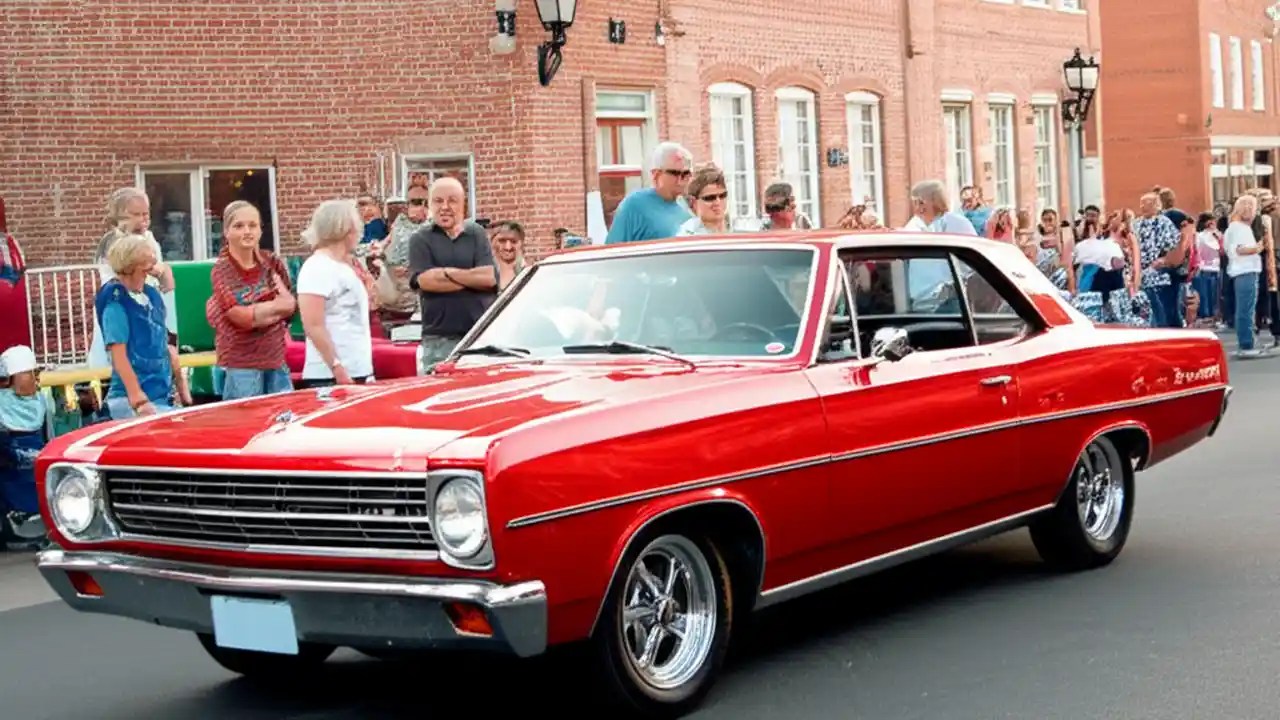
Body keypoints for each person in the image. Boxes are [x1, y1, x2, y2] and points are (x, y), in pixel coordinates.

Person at [95, 233, 192, 419]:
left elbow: (166, 346)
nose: (151, 271)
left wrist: (181, 385)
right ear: (129, 267)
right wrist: (137, 398)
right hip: (131, 398)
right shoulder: (115, 303)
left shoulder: (151, 296)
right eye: (145, 269)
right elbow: (119, 356)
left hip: (160, 395)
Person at [207, 201, 296, 400]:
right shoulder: (223, 270)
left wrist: (258, 313)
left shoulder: (271, 262)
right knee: (246, 422)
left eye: (252, 225)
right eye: (239, 226)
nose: (247, 231)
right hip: (241, 363)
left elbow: (291, 307)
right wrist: (276, 308)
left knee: (282, 421)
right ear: (226, 231)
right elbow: (240, 317)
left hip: (275, 359)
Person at [408, 177, 497, 373]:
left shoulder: (476, 234)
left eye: (452, 200)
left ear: (463, 205)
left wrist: (446, 273)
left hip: (479, 336)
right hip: (439, 340)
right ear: (430, 205)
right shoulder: (420, 239)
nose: (445, 207)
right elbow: (426, 281)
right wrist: (471, 279)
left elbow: (489, 278)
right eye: (438, 201)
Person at [296, 199, 375, 386]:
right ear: (346, 229)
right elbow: (313, 325)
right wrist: (336, 367)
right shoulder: (317, 267)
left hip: (359, 369)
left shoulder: (345, 266)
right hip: (329, 376)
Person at [0, 345, 51, 550]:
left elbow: (49, 438)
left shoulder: (41, 401)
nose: (35, 378)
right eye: (30, 373)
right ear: (13, 378)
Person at [605, 142, 694, 243]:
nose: (681, 180)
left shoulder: (686, 206)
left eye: (686, 173)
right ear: (656, 174)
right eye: (674, 173)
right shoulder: (634, 205)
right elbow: (613, 249)